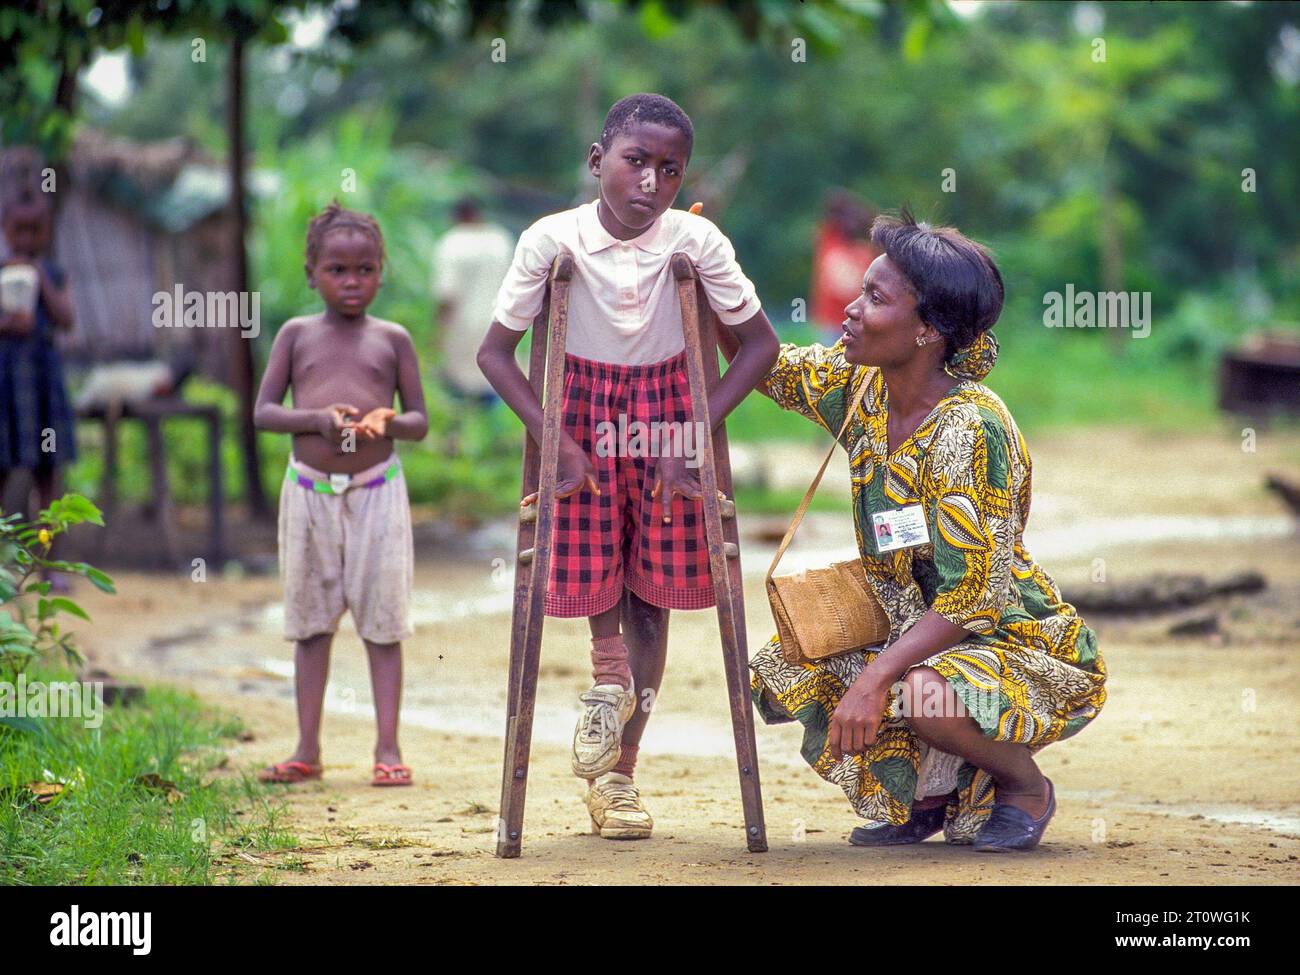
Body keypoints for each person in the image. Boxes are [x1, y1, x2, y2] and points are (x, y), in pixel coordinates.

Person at [733, 210, 1107, 851]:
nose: (849, 309)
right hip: (915, 633)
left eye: (874, 297)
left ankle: (1022, 787)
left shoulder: (967, 429)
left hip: (1009, 643)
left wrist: (875, 676)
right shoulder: (862, 388)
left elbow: (974, 598)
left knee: (921, 692)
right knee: (790, 664)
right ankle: (929, 795)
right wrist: (708, 267)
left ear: (928, 330)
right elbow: (764, 361)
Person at [478, 93, 779, 840]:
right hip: (578, 408)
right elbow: (495, 352)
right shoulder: (553, 239)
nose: (650, 181)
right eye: (635, 161)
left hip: (669, 408)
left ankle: (619, 774)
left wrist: (693, 432)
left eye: (669, 169)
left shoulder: (697, 243)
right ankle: (610, 676)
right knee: (591, 569)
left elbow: (759, 346)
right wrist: (554, 438)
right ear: (597, 161)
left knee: (655, 588)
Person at [253, 202, 429, 788]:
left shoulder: (393, 339)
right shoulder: (296, 334)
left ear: (381, 271)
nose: (352, 282)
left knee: (382, 621)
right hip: (308, 493)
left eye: (365, 270)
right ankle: (307, 748)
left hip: (377, 491)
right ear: (311, 274)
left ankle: (387, 747)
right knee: (309, 624)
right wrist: (318, 420)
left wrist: (389, 422)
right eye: (337, 270)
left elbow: (419, 420)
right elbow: (264, 412)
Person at [0, 190, 78, 553]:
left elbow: (66, 319)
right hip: (4, 382)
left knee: (47, 473)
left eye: (36, 230)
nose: (28, 238)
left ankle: (47, 561)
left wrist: (39, 280)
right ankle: (3, 564)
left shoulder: (54, 273)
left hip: (42, 381)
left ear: (46, 232)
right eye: (20, 230)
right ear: (5, 230)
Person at [432, 197, 513, 407]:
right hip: (499, 322)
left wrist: (438, 335)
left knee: (461, 386)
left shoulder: (452, 243)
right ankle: (492, 435)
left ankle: (461, 435)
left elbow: (447, 294)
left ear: (456, 217)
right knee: (492, 382)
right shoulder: (499, 240)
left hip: (461, 326)